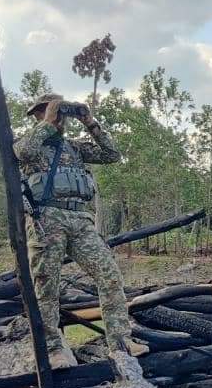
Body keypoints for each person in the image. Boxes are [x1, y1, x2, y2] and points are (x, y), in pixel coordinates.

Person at [15, 93, 138, 370]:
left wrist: (90, 122)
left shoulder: (74, 148)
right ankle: (52, 348)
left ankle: (120, 341)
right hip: (46, 218)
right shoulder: (29, 143)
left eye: (59, 111)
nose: (57, 116)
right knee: (47, 286)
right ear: (37, 114)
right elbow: (24, 153)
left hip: (80, 220)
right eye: (49, 111)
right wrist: (48, 122)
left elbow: (112, 154)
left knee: (109, 275)